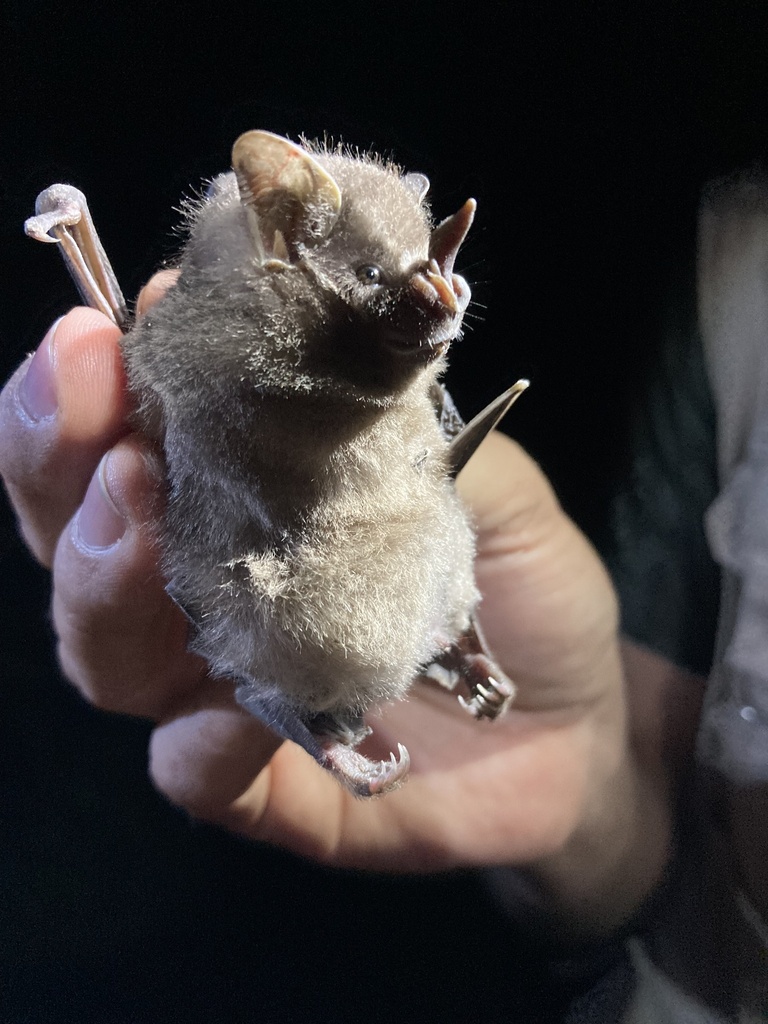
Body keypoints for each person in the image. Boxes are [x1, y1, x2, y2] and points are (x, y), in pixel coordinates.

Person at [1, 169, 765, 1023]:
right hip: (283, 579)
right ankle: (353, 708)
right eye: (384, 276)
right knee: (242, 592)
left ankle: (435, 656)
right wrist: (598, 805)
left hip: (390, 562)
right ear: (281, 254)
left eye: (434, 266)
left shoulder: (726, 271)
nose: (442, 292)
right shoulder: (735, 266)